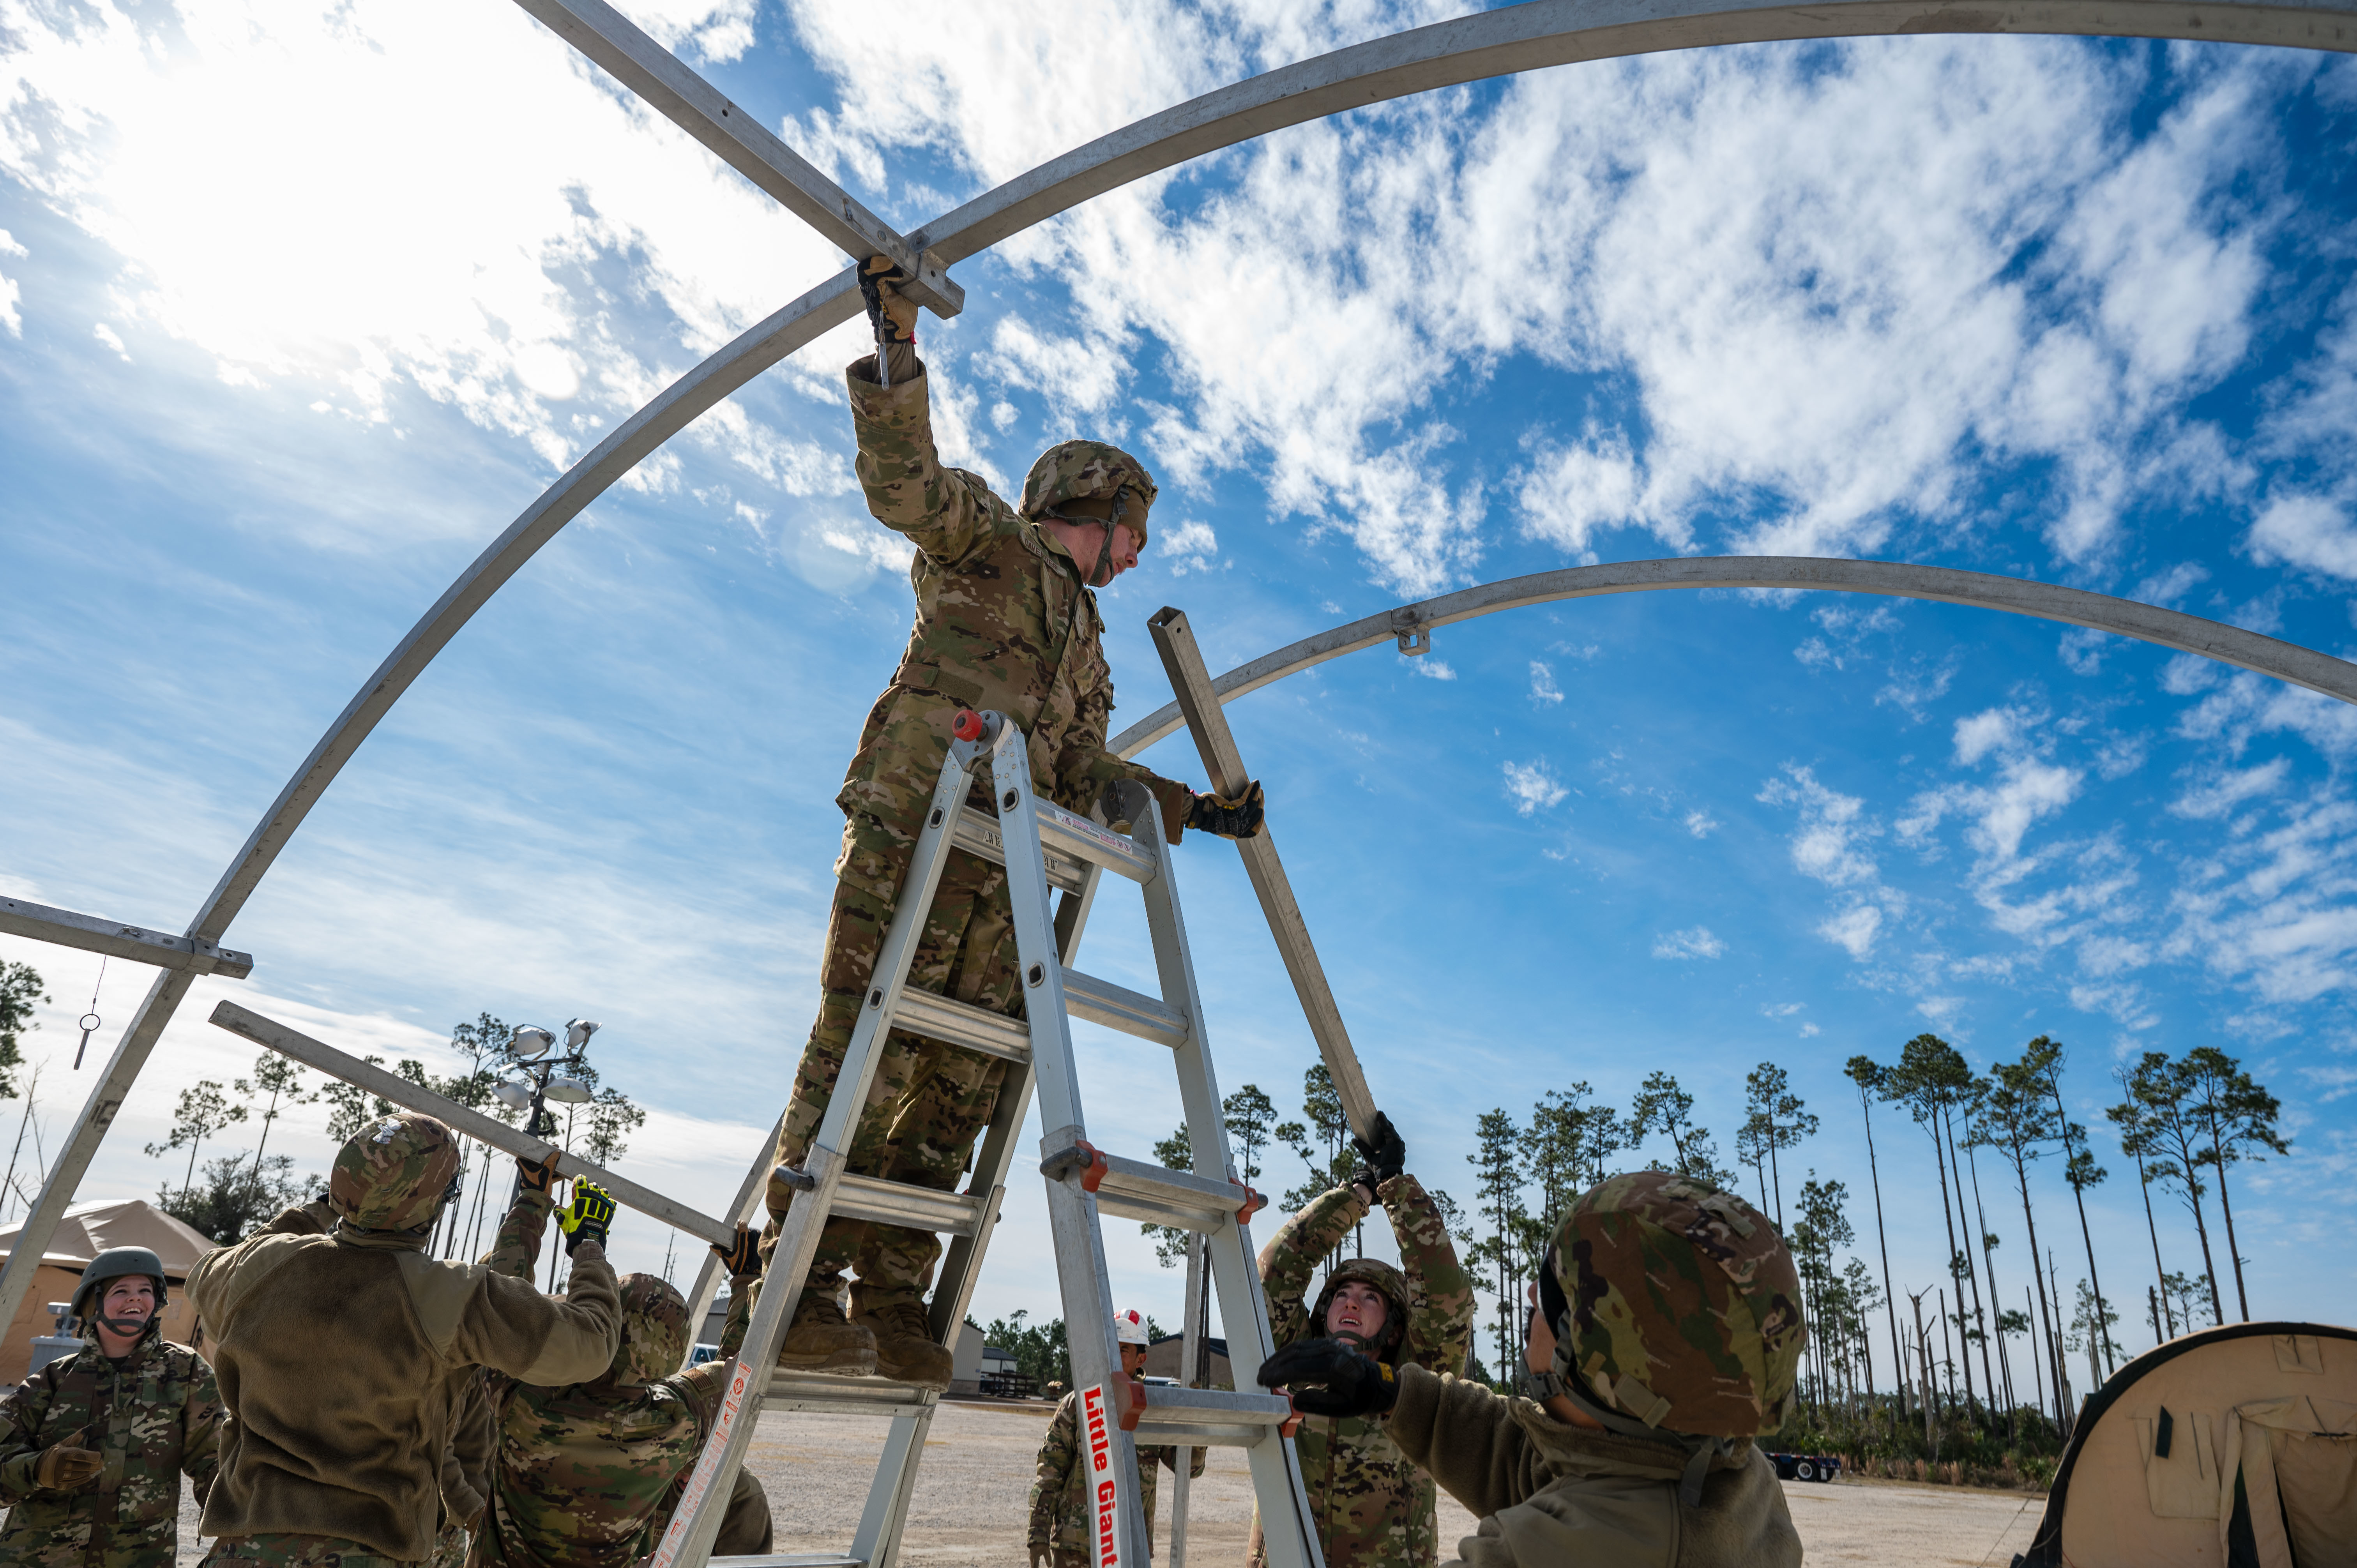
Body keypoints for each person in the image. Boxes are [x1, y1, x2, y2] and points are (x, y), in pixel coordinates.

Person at [768, 256, 1266, 1389]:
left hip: (1004, 878)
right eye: (1130, 528)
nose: (1135, 554)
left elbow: (1083, 763)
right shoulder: (988, 540)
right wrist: (898, 352)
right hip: (917, 821)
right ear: (1085, 506)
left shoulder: (1087, 648)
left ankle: (891, 1285)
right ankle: (791, 1276)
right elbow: (907, 486)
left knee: (960, 1080)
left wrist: (1197, 808)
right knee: (864, 1037)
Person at [1258, 1171, 1808, 1568]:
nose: (1529, 1294)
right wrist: (1388, 1393)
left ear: (1598, 1363)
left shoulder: (1538, 1551)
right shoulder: (1729, 1474)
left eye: (1553, 1292)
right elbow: (1523, 1455)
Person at [187, 1111, 620, 1568]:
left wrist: (340, 1200)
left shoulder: (256, 1268)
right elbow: (590, 1344)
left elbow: (221, 1268)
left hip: (242, 1551)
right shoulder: (449, 1295)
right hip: (366, 1552)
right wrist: (587, 1244)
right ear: (432, 1206)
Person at [470, 1153, 774, 1568]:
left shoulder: (528, 1404)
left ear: (605, 1331)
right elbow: (738, 1372)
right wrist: (747, 1279)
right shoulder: (677, 1422)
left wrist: (533, 1200)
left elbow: (503, 1303)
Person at [1247, 1112, 1474, 1568]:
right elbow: (1273, 1273)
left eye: (1371, 1298)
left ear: (1395, 1325)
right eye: (1341, 1294)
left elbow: (1446, 1297)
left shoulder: (1415, 1376)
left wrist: (1395, 1186)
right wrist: (1356, 1195)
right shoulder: (1293, 1356)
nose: (1352, 1304)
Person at [0, 1247, 221, 1568]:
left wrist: (241, 1522)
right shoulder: (52, 1380)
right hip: (36, 1557)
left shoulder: (186, 1372)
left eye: (146, 1290)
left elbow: (213, 1461)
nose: (136, 1299)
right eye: (121, 1291)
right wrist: (39, 1469)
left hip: (140, 1558)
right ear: (93, 1304)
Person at [1026, 1308, 1202, 1568]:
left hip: (1130, 1547)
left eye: (1123, 1350)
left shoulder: (1153, 1409)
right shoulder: (1078, 1404)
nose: (1113, 1356)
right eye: (1110, 1347)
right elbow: (1051, 1472)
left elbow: (1190, 1468)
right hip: (1076, 1546)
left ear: (1141, 1358)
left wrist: (1194, 1418)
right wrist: (1038, 1533)